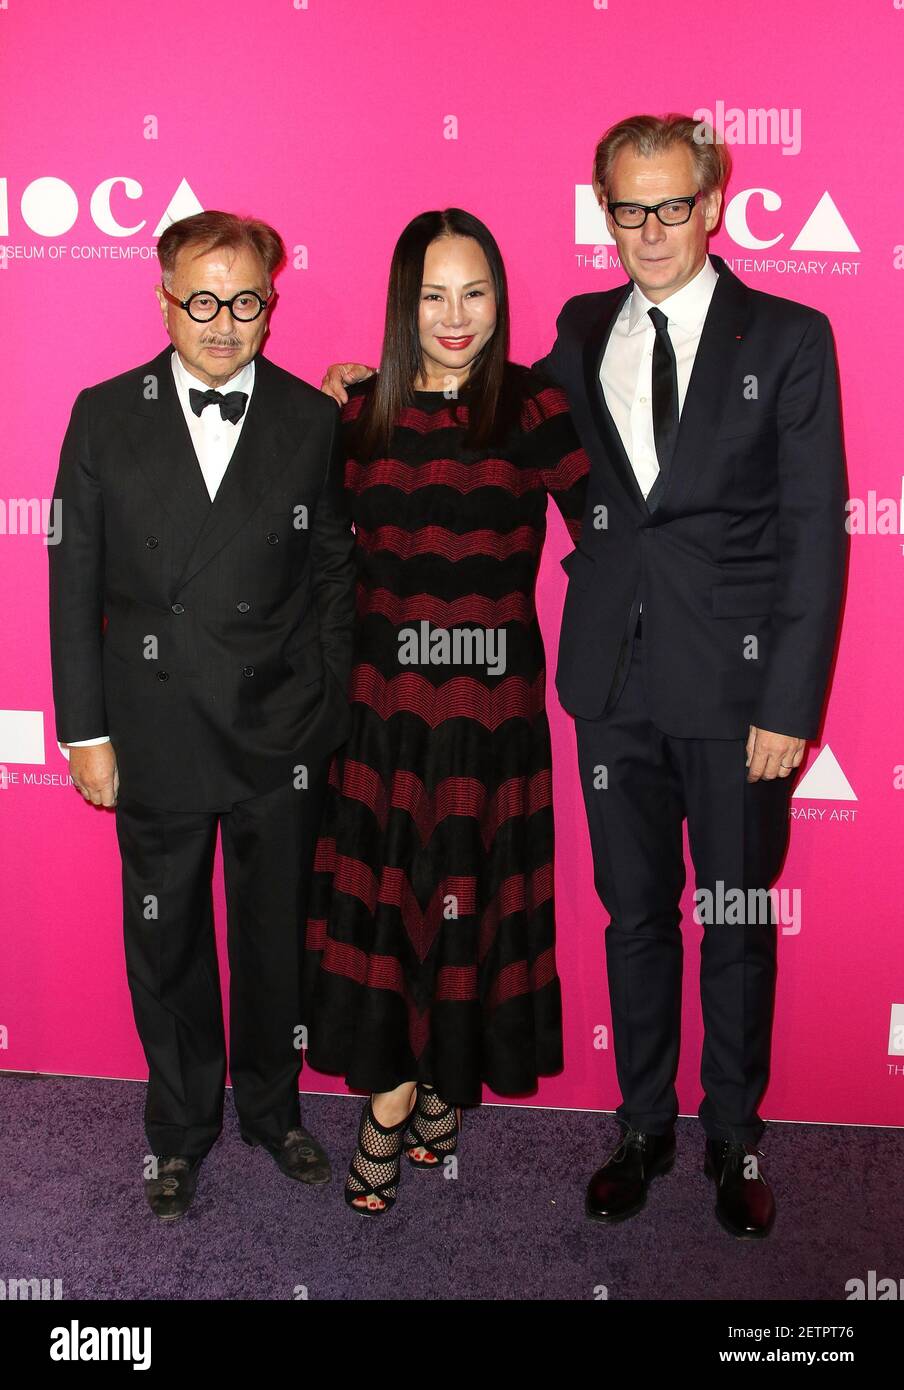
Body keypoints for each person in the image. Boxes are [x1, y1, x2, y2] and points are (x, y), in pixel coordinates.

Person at [323, 115, 847, 1239]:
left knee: (738, 917)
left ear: (712, 204)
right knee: (634, 917)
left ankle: (735, 1135)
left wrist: (789, 704)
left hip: (738, 694)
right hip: (608, 683)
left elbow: (814, 531)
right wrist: (362, 385)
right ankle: (644, 1124)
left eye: (671, 205)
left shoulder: (790, 337)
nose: (650, 229)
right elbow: (472, 413)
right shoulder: (574, 332)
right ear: (602, 211)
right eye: (627, 208)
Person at [49, 210, 356, 1221]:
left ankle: (273, 1111)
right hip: (154, 723)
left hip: (278, 731)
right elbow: (74, 581)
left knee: (273, 936)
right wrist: (85, 732)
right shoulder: (102, 413)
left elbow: (331, 579)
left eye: (247, 302)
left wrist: (322, 712)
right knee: (167, 934)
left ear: (272, 304)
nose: (225, 323)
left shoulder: (310, 421)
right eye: (203, 300)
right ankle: (179, 1129)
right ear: (164, 298)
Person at [303, 208, 589, 1214]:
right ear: (402, 303)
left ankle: (443, 1083)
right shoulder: (355, 415)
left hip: (490, 708)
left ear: (499, 300)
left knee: (469, 898)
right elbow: (306, 557)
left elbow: (613, 530)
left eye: (474, 292)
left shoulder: (533, 404)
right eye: (432, 294)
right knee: (386, 904)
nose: (455, 315)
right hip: (380, 709)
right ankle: (389, 1093)